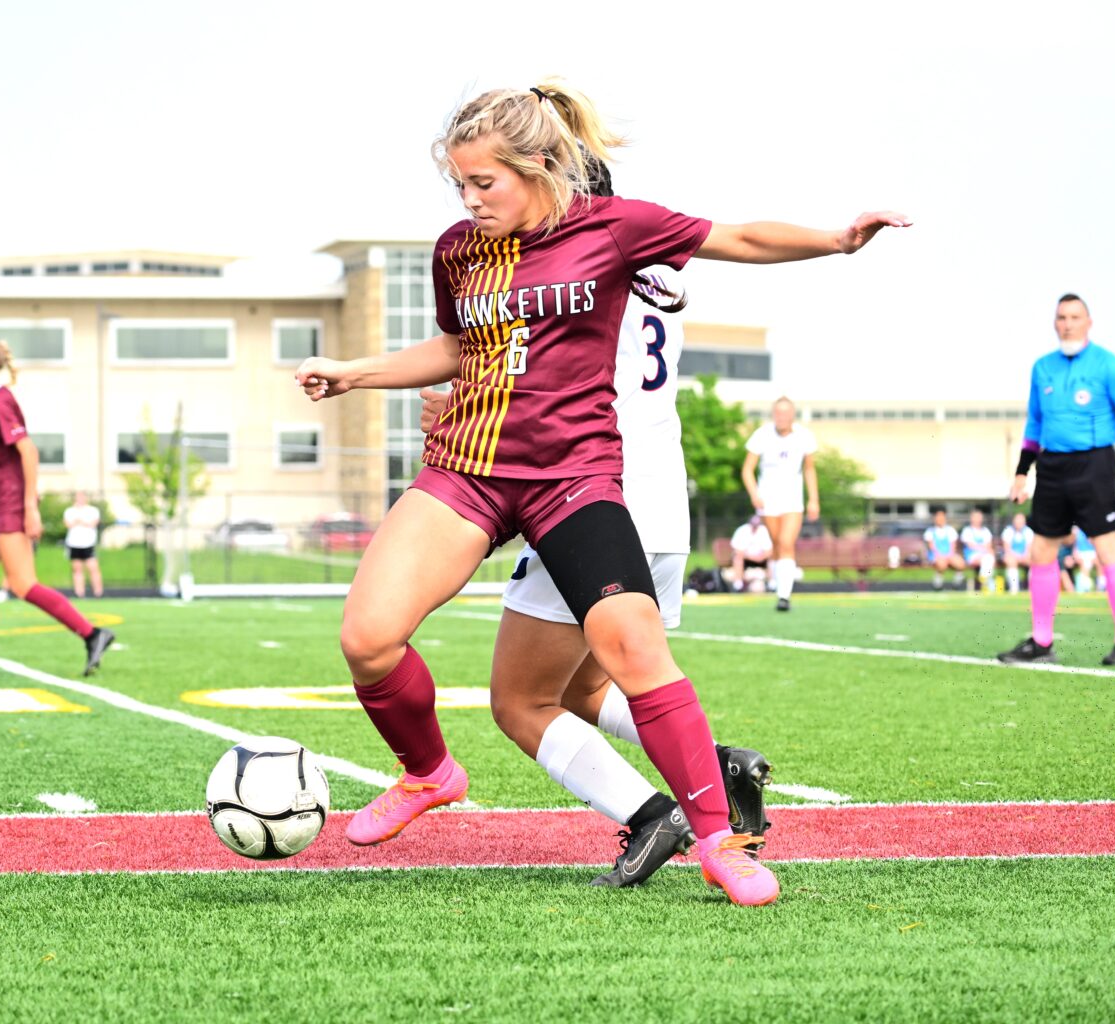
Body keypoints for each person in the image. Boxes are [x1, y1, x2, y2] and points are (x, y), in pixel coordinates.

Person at [294, 79, 908, 906]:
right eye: (460, 185)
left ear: (540, 165)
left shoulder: (616, 227)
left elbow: (739, 237)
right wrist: (358, 373)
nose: (470, 200)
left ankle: (719, 843)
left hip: (572, 480)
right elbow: (458, 347)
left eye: (485, 183)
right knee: (368, 637)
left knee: (633, 651)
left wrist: (836, 239)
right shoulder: (457, 250)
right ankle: (428, 772)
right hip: (467, 469)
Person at [420, 261, 773, 889]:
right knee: (588, 689)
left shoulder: (571, 275)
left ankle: (650, 816)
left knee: (520, 701)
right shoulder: (652, 279)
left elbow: (546, 404)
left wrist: (458, 419)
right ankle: (715, 772)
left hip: (592, 504)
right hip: (666, 508)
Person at [0, 335, 116, 677]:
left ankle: (92, 633)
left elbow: (28, 452)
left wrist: (30, 507)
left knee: (23, 584)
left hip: (11, 504)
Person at [999, 294, 1115, 666]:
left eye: (1075, 317)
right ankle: (1041, 641)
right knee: (1041, 553)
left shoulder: (1108, 366)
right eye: (1062, 317)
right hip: (1051, 468)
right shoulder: (1042, 368)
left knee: (1106, 551)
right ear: (1054, 323)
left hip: (1095, 466)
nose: (1067, 323)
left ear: (1089, 322)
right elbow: (1034, 424)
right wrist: (1022, 472)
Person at [741, 398, 818, 611]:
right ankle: (778, 586)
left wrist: (814, 499)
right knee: (776, 544)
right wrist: (754, 494)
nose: (781, 417)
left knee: (786, 542)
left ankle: (784, 596)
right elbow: (747, 469)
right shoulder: (762, 435)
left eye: (785, 413)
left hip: (793, 499)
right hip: (768, 499)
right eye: (777, 413)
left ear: (792, 415)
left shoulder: (804, 436)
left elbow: (810, 469)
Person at [63, 491, 104, 598]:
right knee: (77, 569)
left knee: (93, 567)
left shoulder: (92, 510)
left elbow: (93, 523)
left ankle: (98, 592)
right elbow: (68, 524)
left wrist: (81, 521)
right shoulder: (70, 511)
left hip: (88, 543)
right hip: (74, 544)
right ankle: (79, 593)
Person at [729, 515, 774, 592]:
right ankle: (738, 585)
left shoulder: (763, 531)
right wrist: (751, 557)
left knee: (772, 559)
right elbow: (737, 550)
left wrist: (761, 557)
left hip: (761, 560)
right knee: (737, 558)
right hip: (746, 560)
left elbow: (769, 550)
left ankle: (772, 584)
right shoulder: (742, 531)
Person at [923, 509, 963, 590]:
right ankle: (938, 582)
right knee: (942, 563)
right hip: (936, 555)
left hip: (949, 555)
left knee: (960, 563)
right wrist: (942, 556)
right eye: (938, 516)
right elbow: (932, 547)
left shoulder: (950, 530)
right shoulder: (930, 531)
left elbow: (953, 547)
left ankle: (957, 582)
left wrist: (948, 556)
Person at [960, 509, 996, 592]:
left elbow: (989, 546)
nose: (978, 519)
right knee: (987, 558)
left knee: (989, 558)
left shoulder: (985, 531)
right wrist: (984, 549)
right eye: (976, 517)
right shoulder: (967, 531)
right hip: (971, 556)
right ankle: (986, 582)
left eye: (979, 517)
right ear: (971, 518)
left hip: (985, 556)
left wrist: (987, 551)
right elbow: (970, 545)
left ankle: (984, 580)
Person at [1001, 512, 1033, 594]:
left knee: (1034, 562)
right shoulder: (1008, 531)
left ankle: (1032, 588)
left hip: (1025, 556)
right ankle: (1014, 588)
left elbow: (1029, 548)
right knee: (1011, 561)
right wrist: (1017, 556)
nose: (1019, 523)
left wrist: (1025, 556)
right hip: (1011, 556)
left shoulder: (1028, 531)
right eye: (1017, 521)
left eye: (1021, 521)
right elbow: (1007, 549)